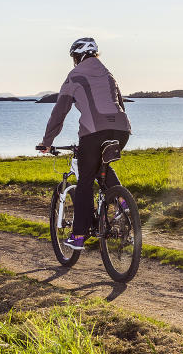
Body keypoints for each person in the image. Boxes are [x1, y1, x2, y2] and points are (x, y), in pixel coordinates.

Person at [36, 37, 132, 250]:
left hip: (93, 132)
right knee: (100, 165)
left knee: (85, 179)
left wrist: (47, 141)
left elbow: (60, 111)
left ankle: (79, 234)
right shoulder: (109, 74)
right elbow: (120, 104)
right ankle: (122, 202)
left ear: (78, 56)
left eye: (73, 57)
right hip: (122, 130)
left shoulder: (74, 75)